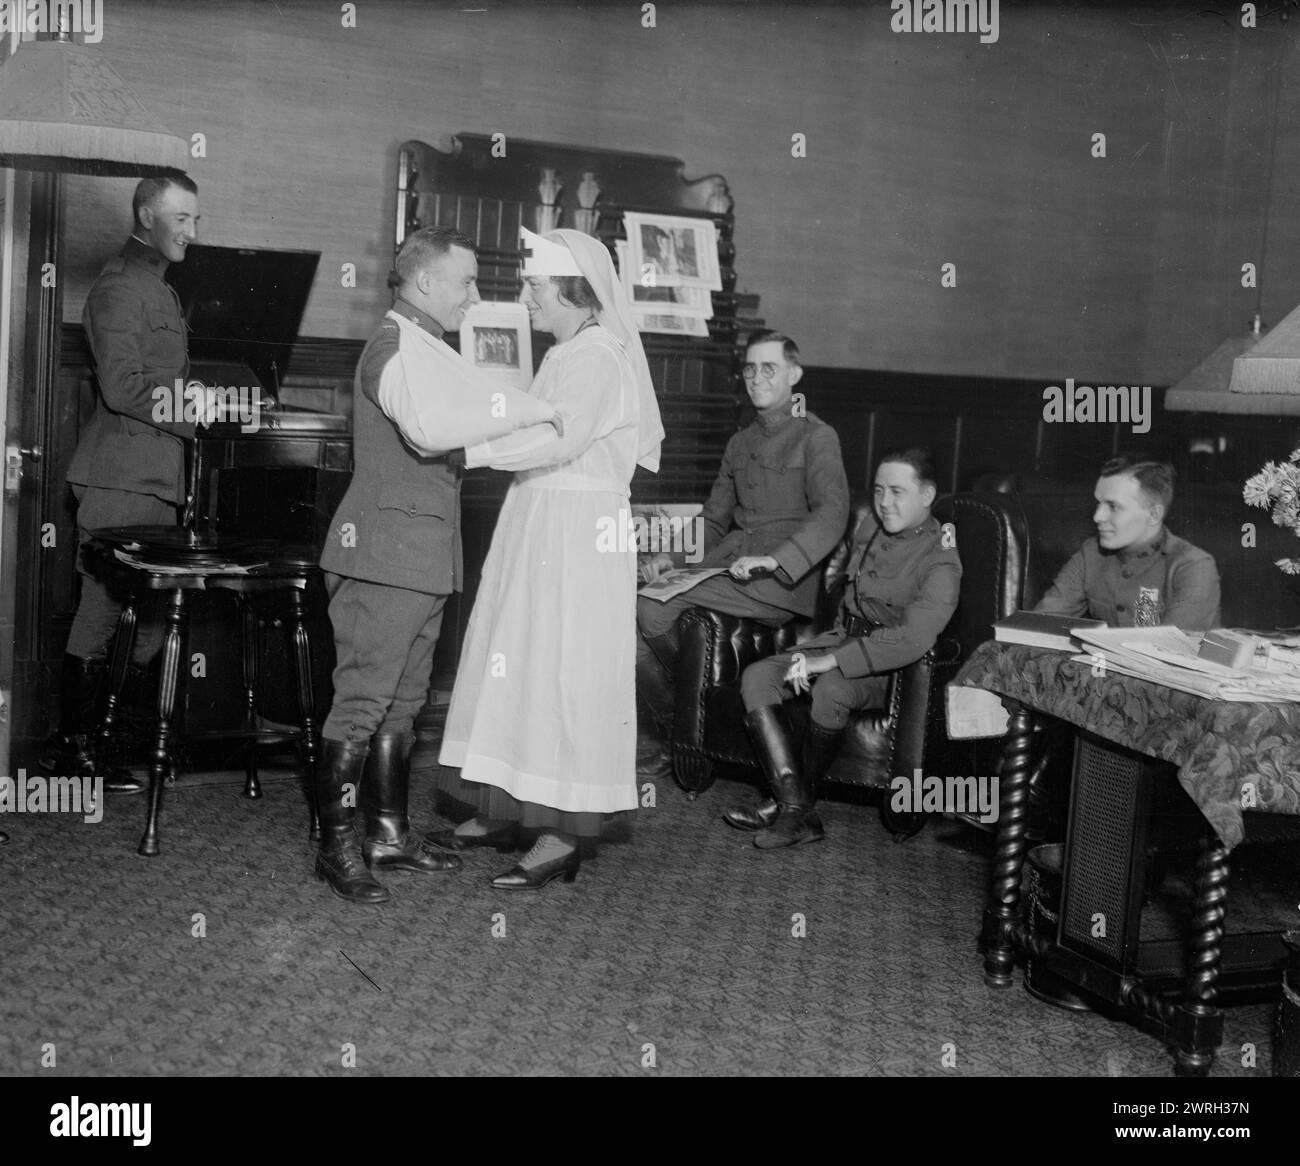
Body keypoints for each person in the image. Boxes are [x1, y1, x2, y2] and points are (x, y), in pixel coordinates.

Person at [314, 226, 560, 905]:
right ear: (425, 281)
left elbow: (461, 439)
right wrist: (530, 408)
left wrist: (527, 432)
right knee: (363, 704)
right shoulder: (390, 351)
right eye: (467, 282)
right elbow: (427, 430)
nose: (476, 297)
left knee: (405, 704)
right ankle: (334, 846)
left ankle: (387, 831)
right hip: (383, 557)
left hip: (421, 558)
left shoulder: (431, 350)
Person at [432, 227, 664, 890]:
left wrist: (467, 448)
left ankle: (563, 831)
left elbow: (555, 438)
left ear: (572, 290)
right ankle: (507, 807)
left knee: (567, 670)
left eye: (534, 284)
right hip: (539, 521)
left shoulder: (598, 356)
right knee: (518, 661)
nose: (524, 294)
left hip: (579, 533)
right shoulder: (567, 351)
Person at [40, 174, 202, 796]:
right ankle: (70, 750)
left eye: (195, 219)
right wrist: (199, 417)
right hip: (118, 479)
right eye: (181, 218)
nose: (191, 231)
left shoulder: (157, 289)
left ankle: (98, 743)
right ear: (145, 216)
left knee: (152, 619)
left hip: (155, 481)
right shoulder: (118, 290)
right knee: (104, 611)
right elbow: (125, 389)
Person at [635, 331, 849, 780]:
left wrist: (778, 561)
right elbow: (715, 518)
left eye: (768, 368)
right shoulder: (740, 442)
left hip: (777, 582)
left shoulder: (817, 436)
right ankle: (681, 729)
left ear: (794, 374)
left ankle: (684, 729)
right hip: (729, 565)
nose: (756, 378)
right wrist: (670, 556)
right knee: (634, 619)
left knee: (650, 608)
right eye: (750, 369)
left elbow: (833, 513)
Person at [728, 449, 962, 849]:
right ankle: (795, 806)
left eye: (897, 492)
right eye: (878, 490)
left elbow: (913, 638)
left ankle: (787, 808)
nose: (884, 502)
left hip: (890, 667)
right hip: (841, 636)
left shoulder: (941, 558)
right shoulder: (871, 524)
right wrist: (771, 562)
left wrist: (828, 660)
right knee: (757, 676)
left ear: (927, 495)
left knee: (832, 687)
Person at [1034, 455, 1220, 630]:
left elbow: (1170, 653)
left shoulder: (1192, 566)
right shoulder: (1091, 554)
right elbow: (1039, 624)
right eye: (1098, 503)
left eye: (1113, 506)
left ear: (1154, 514)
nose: (1097, 516)